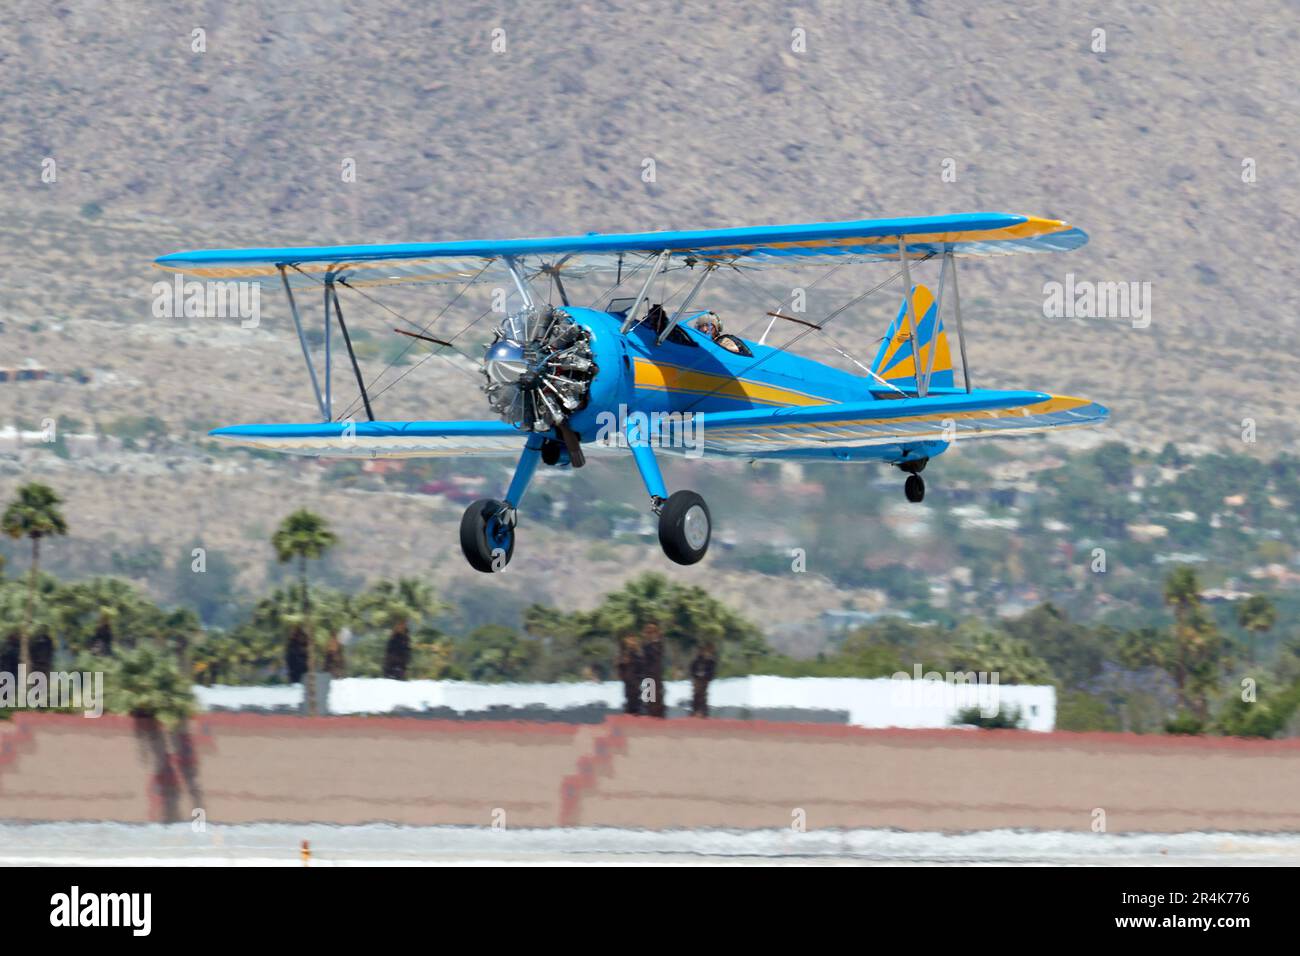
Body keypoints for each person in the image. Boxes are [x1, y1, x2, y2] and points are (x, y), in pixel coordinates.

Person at [616, 634, 643, 715]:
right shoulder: (623, 654)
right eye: (629, 640)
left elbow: (642, 666)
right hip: (628, 683)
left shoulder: (638, 653)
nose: (631, 642)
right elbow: (619, 667)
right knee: (630, 703)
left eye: (633, 640)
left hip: (637, 683)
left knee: (637, 704)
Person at [689, 643, 717, 718]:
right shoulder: (697, 660)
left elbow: (712, 671)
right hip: (697, 679)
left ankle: (703, 713)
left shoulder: (711, 661)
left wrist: (705, 675)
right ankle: (695, 712)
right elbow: (692, 669)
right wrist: (696, 675)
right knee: (696, 695)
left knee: (702, 696)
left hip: (705, 680)